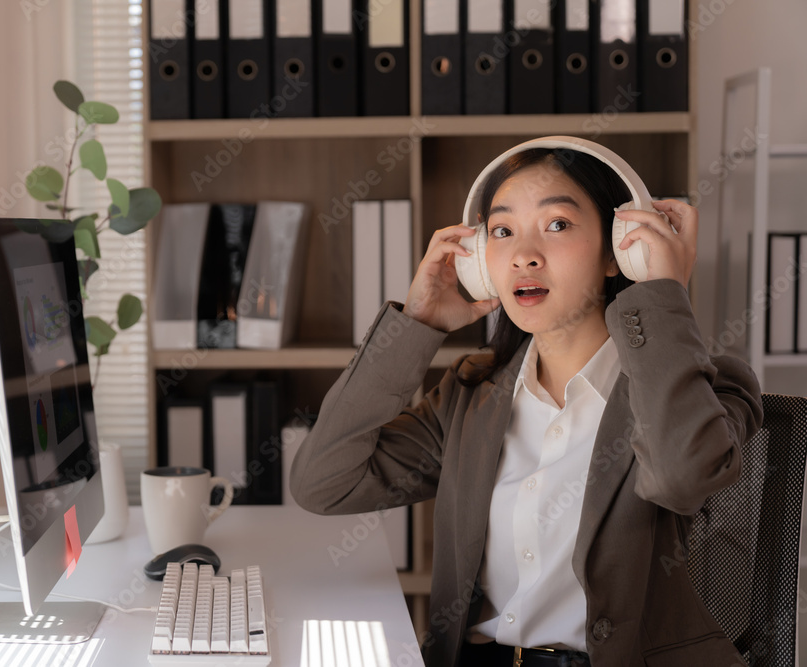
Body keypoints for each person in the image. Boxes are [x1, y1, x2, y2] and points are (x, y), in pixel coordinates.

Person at [289, 139, 763, 667]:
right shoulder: (471, 397)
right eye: (502, 231)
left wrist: (662, 292)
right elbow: (323, 484)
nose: (524, 254)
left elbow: (680, 476)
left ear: (618, 248)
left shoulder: (709, 390)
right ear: (482, 262)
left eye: (557, 224)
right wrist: (415, 325)